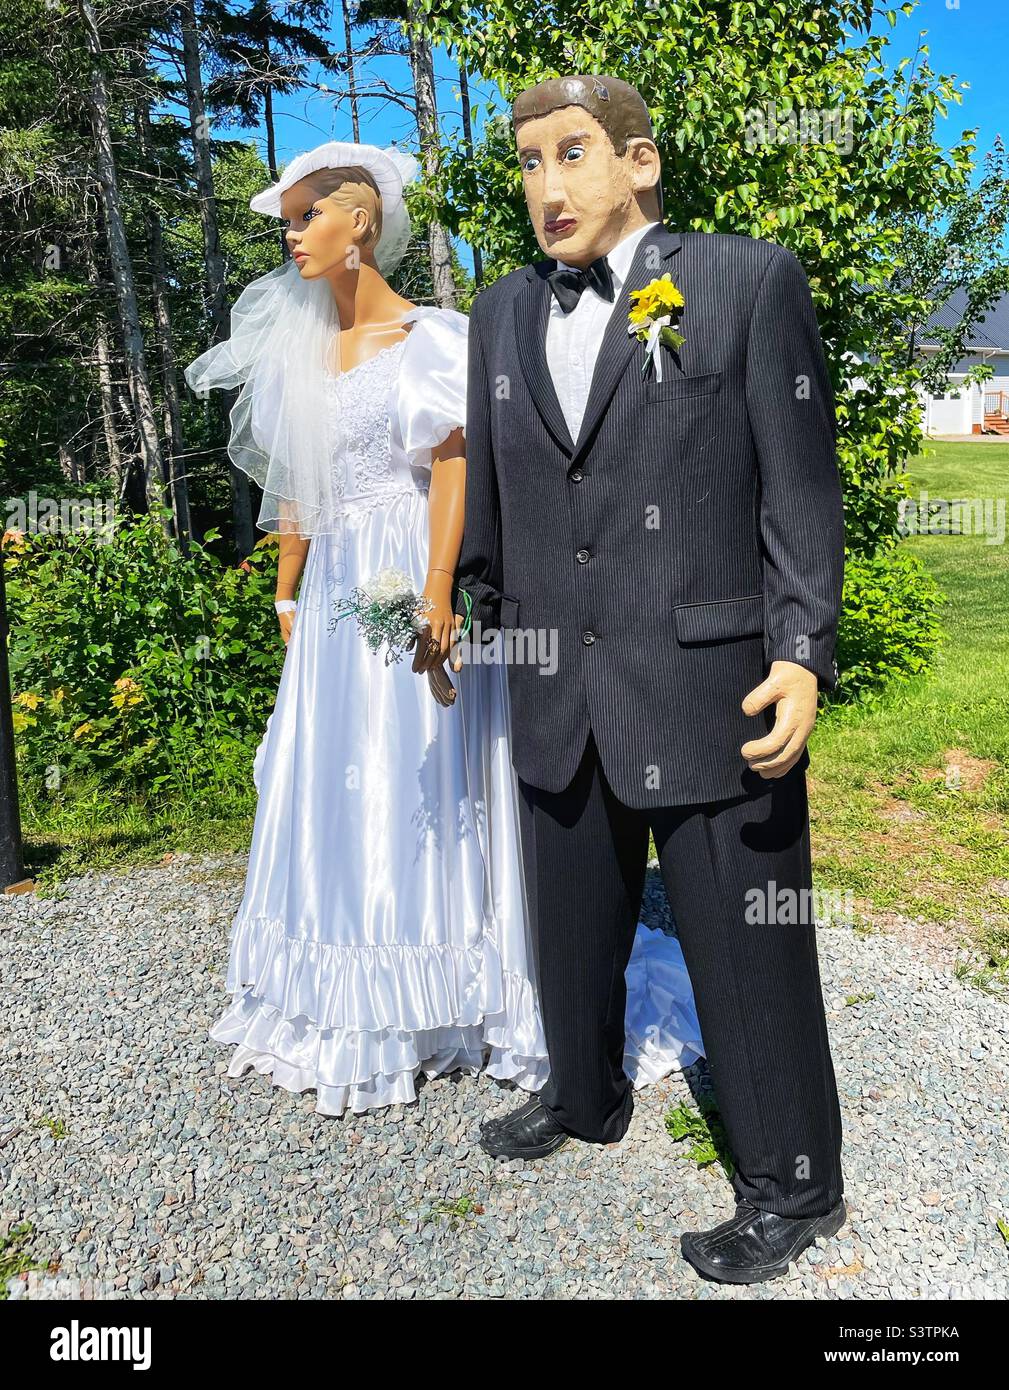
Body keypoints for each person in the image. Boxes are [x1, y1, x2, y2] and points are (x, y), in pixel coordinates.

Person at [185, 141, 702, 1119]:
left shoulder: (432, 339)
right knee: (333, 777)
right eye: (286, 222)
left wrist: (435, 590)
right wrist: (287, 596)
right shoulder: (302, 352)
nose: (291, 238)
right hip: (337, 592)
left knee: (419, 766)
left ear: (362, 223)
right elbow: (296, 490)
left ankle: (457, 989)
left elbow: (457, 468)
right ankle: (342, 989)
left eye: (308, 217)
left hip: (409, 577)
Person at [452, 75, 847, 1283]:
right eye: (526, 161)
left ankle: (794, 1183)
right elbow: (509, 500)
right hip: (554, 686)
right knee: (570, 921)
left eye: (570, 152)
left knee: (746, 938)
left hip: (709, 682)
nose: (545, 184)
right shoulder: (499, 311)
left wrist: (800, 652)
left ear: (639, 160)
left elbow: (799, 488)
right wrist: (476, 616)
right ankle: (582, 1095)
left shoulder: (742, 282)